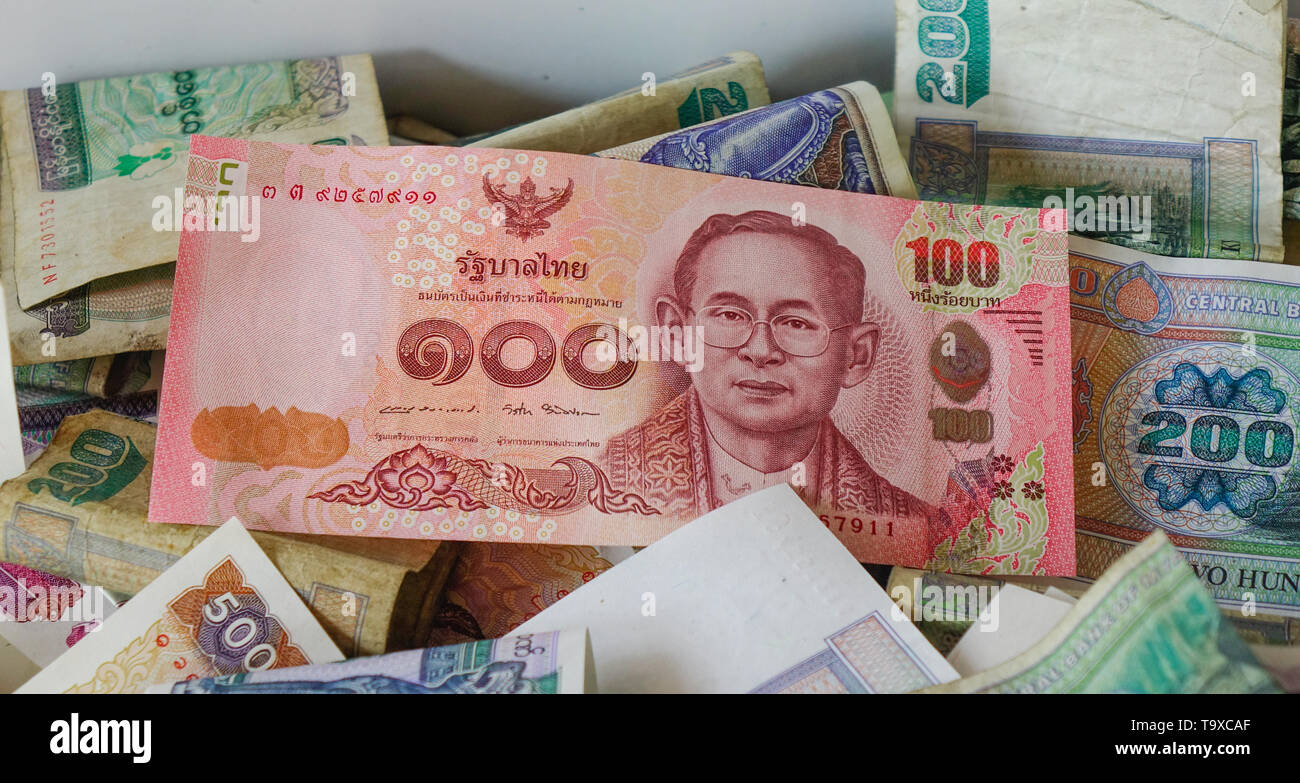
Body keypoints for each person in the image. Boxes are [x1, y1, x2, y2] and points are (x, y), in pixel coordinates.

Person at [602, 210, 933, 522]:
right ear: (676, 334)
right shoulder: (604, 478)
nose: (761, 351)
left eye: (796, 323)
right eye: (729, 315)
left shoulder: (910, 521)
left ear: (856, 355)